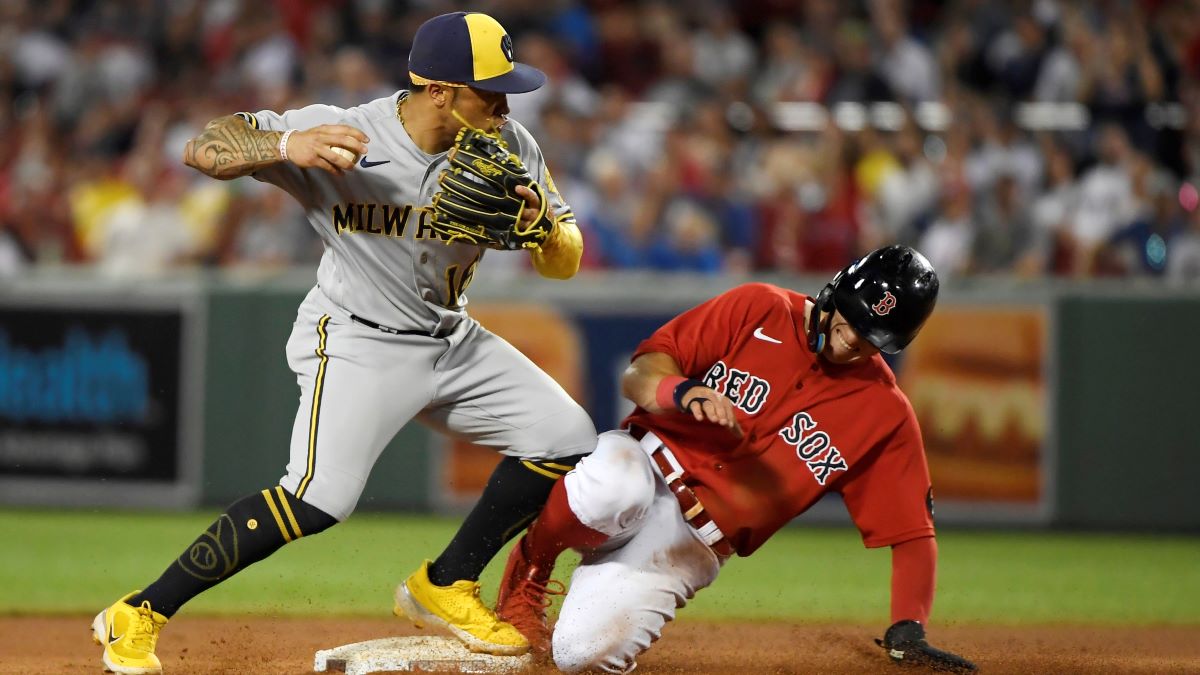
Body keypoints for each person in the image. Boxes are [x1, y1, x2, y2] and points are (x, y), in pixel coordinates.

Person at [92, 11, 597, 674]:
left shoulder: (510, 145)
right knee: (317, 499)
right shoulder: (344, 130)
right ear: (438, 90)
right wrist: (284, 146)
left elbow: (566, 259)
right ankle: (138, 611)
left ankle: (447, 582)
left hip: (451, 335)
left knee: (566, 436)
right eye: (489, 91)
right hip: (359, 339)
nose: (505, 105)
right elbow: (203, 147)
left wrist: (546, 233)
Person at [494, 245, 977, 673]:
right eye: (852, 319)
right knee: (612, 487)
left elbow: (912, 532)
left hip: (690, 545)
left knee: (581, 654)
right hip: (645, 464)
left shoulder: (885, 413)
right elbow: (638, 374)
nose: (853, 340)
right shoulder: (760, 307)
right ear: (836, 293)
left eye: (874, 337)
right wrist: (681, 391)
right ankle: (531, 569)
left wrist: (908, 628)